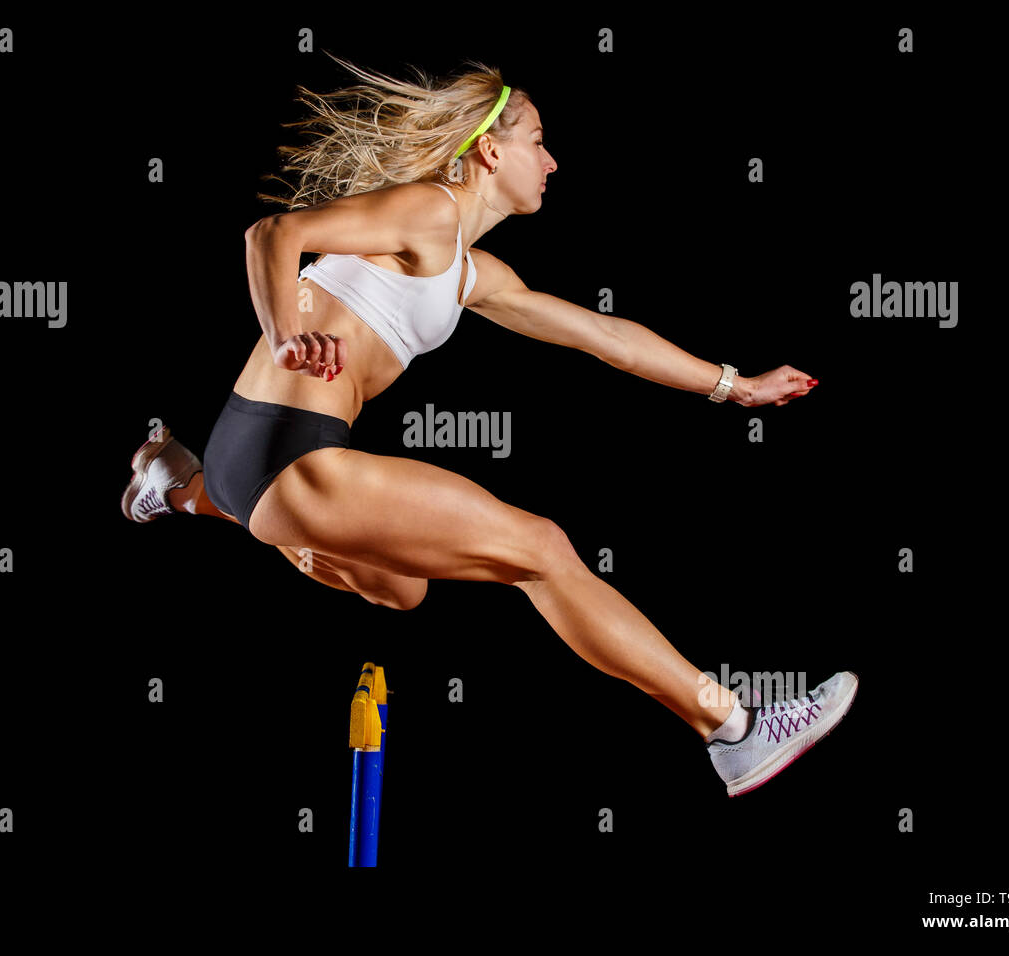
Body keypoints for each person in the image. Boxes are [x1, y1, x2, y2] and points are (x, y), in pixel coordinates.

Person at [119, 54, 856, 796]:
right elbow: (271, 234)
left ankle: (185, 487)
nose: (553, 160)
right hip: (290, 451)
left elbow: (604, 336)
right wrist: (284, 333)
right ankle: (734, 730)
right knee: (541, 547)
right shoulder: (430, 211)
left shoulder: (470, 273)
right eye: (539, 140)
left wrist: (736, 386)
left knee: (403, 592)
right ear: (490, 151)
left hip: (259, 461)